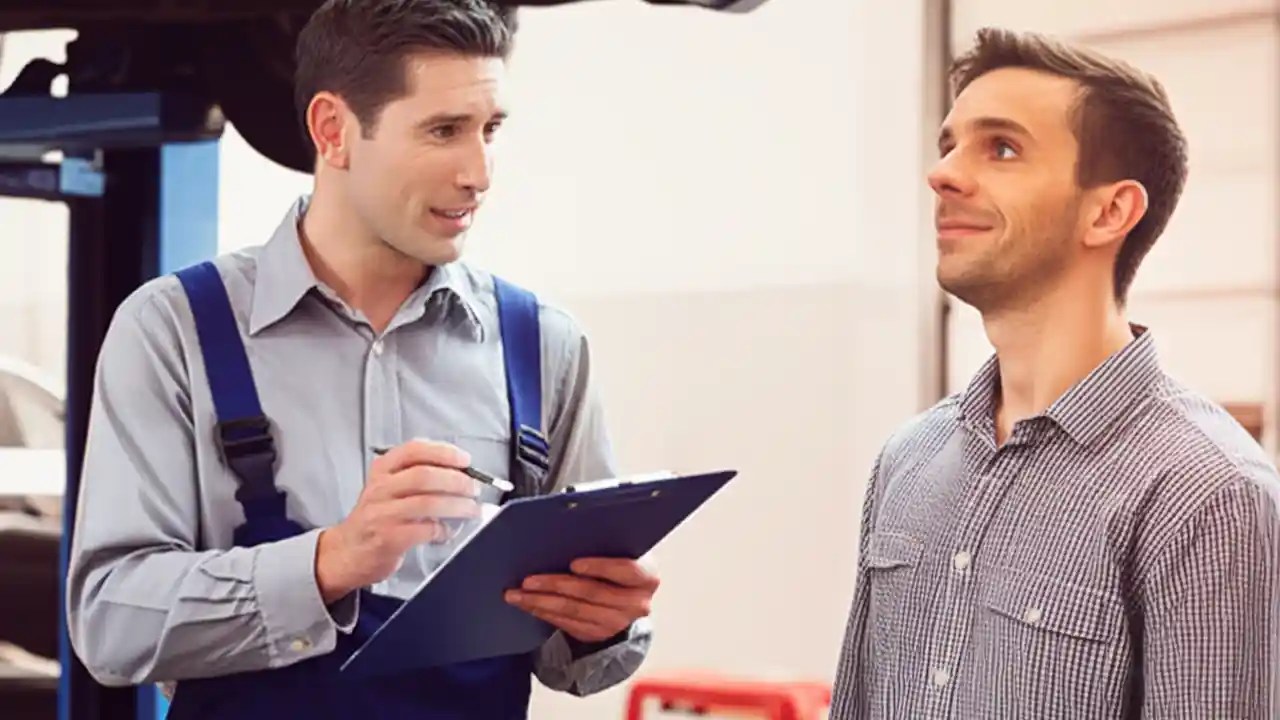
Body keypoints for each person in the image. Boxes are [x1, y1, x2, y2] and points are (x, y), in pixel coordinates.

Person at [64, 0, 659, 717]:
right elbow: (110, 622)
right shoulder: (173, 332)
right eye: (443, 131)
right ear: (333, 131)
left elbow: (574, 662)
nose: (480, 173)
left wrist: (606, 624)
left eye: (489, 130)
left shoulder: (544, 347)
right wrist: (330, 562)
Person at [831, 27, 1279, 719]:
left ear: (1109, 211)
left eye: (1001, 148)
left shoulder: (1209, 496)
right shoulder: (907, 463)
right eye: (948, 145)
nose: (943, 173)